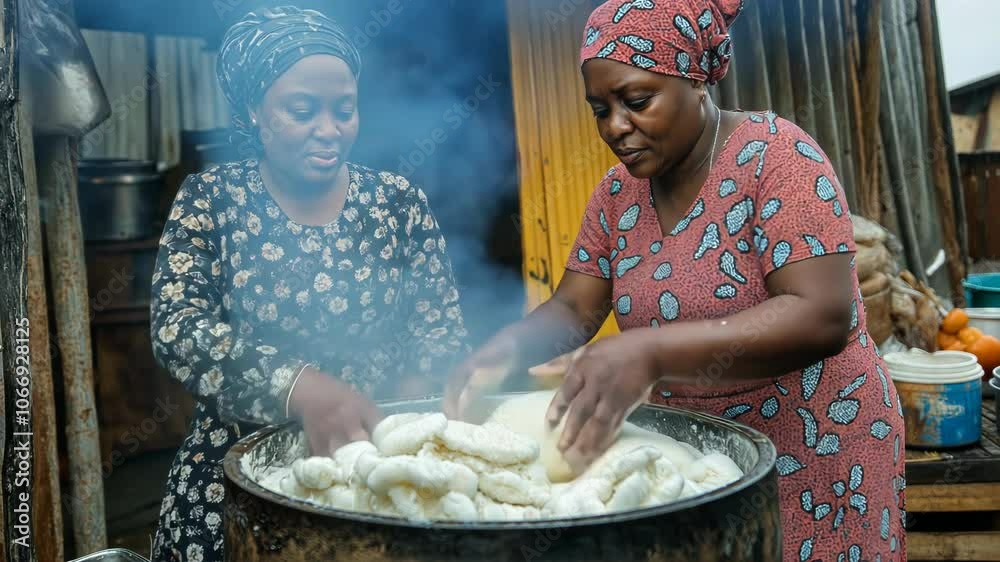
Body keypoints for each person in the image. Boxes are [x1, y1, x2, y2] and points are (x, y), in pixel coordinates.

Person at [444, 0, 906, 559]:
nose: (615, 127)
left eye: (637, 101)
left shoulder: (776, 157)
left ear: (695, 79)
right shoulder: (618, 195)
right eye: (599, 109)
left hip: (817, 447)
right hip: (700, 468)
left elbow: (822, 314)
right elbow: (574, 308)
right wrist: (504, 352)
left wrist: (650, 352)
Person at [148, 7, 468, 560]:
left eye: (344, 109)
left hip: (373, 474)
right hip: (235, 481)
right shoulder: (213, 200)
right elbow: (178, 329)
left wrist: (404, 430)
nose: (329, 129)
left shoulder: (395, 202)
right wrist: (298, 386)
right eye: (302, 110)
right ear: (255, 110)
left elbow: (440, 332)